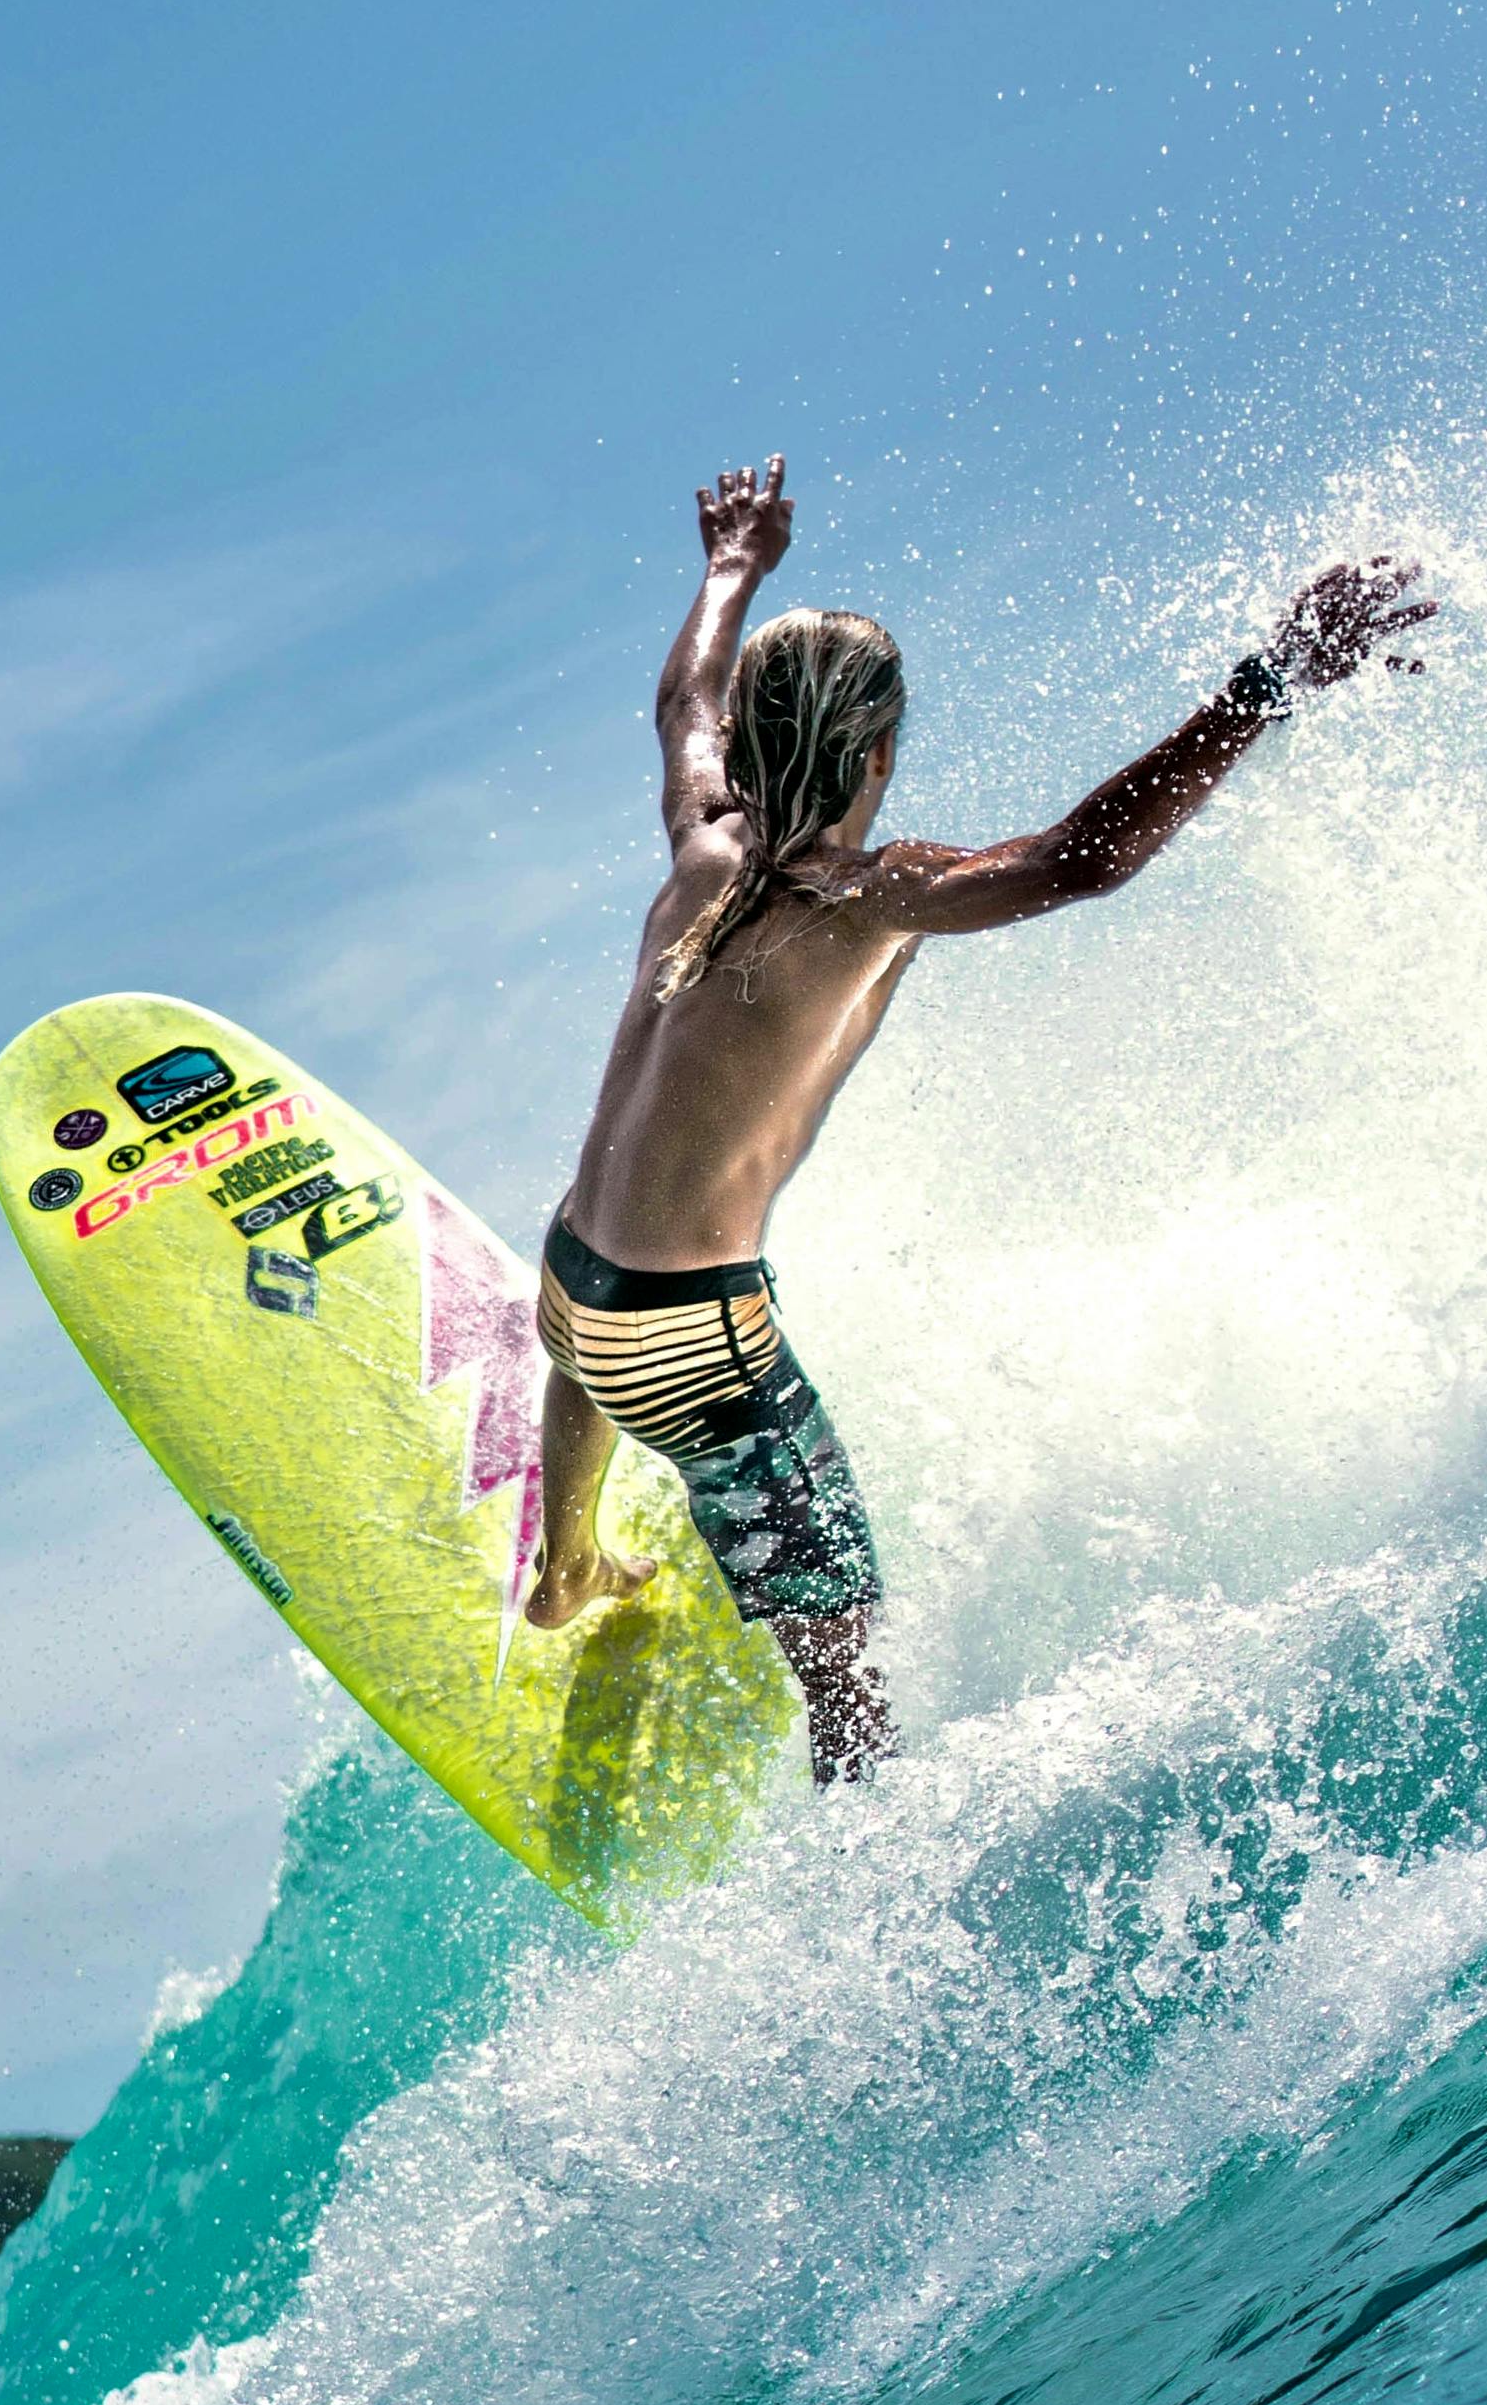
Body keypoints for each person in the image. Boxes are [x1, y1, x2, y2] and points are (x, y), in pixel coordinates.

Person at [528, 455, 1437, 1780]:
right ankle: (859, 1853)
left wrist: (731, 566)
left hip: (569, 1283)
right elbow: (1079, 859)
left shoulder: (704, 837)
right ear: (877, 753)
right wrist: (1268, 681)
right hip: (689, 1345)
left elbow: (682, 701)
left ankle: (566, 1561)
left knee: (593, 1340)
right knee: (848, 1664)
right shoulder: (871, 894)